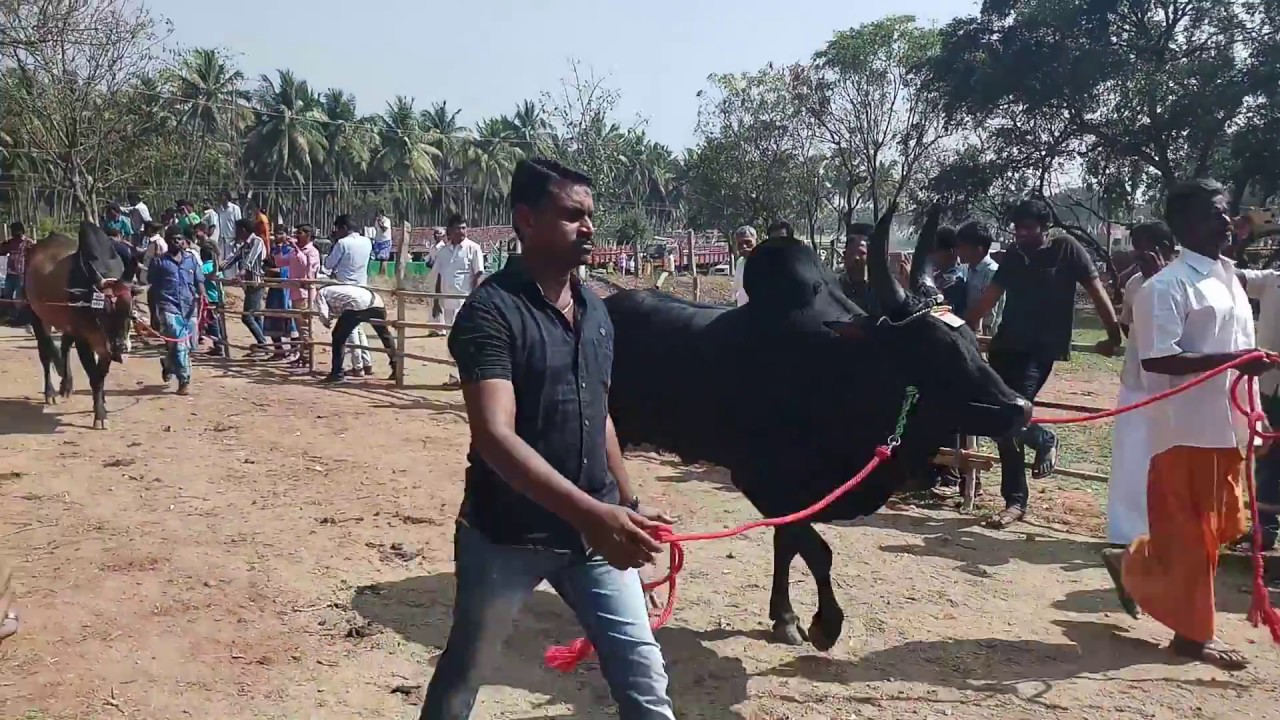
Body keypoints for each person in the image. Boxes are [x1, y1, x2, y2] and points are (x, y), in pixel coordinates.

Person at [419, 158, 675, 720]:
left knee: (645, 681)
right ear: (526, 220)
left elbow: (600, 414)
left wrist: (626, 510)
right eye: (571, 215)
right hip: (505, 536)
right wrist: (595, 515)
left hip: (593, 540)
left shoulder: (596, 314)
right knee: (465, 673)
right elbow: (494, 436)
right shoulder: (492, 313)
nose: (588, 228)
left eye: (590, 216)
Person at [1102, 179, 1278, 670]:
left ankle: (1135, 563)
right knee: (1196, 535)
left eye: (1226, 212)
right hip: (1184, 430)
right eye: (1212, 214)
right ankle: (1192, 637)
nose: (1224, 222)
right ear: (1182, 225)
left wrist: (1244, 373)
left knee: (1223, 525)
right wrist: (1237, 359)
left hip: (1229, 426)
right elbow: (1160, 359)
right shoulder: (1166, 286)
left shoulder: (1229, 279)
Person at [965, 199, 1124, 528]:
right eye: (1018, 228)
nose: (1022, 234)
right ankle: (1015, 502)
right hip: (1005, 345)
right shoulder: (1013, 258)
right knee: (1001, 423)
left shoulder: (1066, 250)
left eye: (1029, 228)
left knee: (1012, 416)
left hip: (1040, 350)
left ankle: (1042, 442)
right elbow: (988, 299)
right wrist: (962, 330)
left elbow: (1096, 291)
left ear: (1045, 227)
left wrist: (1113, 335)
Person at [1105, 221, 1177, 548]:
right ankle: (1125, 533)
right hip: (1136, 382)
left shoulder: (1181, 282)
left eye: (1145, 247)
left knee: (1168, 458)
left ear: (1164, 247)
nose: (1139, 254)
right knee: (1129, 457)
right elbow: (1126, 325)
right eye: (1136, 248)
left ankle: (1165, 528)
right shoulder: (1135, 284)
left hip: (1174, 386)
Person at [148, 231, 205, 394]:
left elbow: (199, 280)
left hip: (189, 307)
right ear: (167, 241)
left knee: (189, 346)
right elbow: (152, 287)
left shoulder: (191, 259)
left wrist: (203, 295)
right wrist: (154, 313)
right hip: (169, 306)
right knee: (180, 344)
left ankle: (168, 364)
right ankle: (184, 381)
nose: (176, 242)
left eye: (179, 239)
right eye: (172, 239)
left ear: (183, 241)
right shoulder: (159, 261)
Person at [433, 213, 485, 388]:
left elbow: (478, 274)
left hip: (465, 301)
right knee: (451, 340)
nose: (462, 231)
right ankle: (455, 377)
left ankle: (470, 377)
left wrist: (474, 300)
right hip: (447, 302)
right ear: (450, 230)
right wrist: (436, 301)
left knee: (467, 340)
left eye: (464, 227)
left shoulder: (473, 248)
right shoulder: (443, 251)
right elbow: (439, 276)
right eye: (458, 228)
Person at [314, 283, 396, 383]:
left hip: (357, 306)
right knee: (384, 334)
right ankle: (397, 368)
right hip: (376, 302)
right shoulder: (343, 288)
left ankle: (337, 373)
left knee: (338, 337)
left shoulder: (321, 292)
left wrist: (326, 322)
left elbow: (323, 313)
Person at [223, 218, 269, 353]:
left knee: (247, 316)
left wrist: (242, 271)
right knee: (255, 315)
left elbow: (251, 258)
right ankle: (262, 345)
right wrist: (219, 267)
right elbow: (232, 258)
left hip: (256, 283)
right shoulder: (244, 245)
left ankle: (263, 343)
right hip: (248, 285)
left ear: (243, 230)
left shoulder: (257, 241)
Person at [955, 220, 1003, 335]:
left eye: (963, 247)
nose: (958, 252)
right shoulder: (965, 269)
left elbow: (989, 316)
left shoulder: (992, 273)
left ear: (979, 249)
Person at [286, 224, 321, 368]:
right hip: (295, 292)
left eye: (300, 233)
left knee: (305, 327)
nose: (297, 235)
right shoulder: (297, 251)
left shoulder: (312, 251)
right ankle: (302, 355)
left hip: (305, 294)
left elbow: (307, 267)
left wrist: (296, 247)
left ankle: (307, 357)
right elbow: (283, 261)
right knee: (300, 327)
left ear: (308, 235)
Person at [264, 229, 296, 361]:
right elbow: (266, 265)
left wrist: (277, 271)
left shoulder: (291, 250)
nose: (277, 236)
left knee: (290, 318)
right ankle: (279, 350)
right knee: (272, 316)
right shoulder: (272, 250)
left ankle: (294, 350)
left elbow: (290, 268)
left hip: (286, 289)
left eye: (280, 233)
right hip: (274, 288)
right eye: (276, 233)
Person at [323, 214, 373, 286]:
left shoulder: (342, 243)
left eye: (337, 229)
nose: (336, 232)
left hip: (344, 285)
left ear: (344, 228)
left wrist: (334, 245)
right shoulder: (367, 241)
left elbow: (328, 265)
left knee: (321, 294)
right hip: (362, 285)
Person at [838, 223, 877, 314]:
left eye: (861, 253)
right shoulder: (834, 286)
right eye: (852, 253)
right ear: (844, 256)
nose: (856, 258)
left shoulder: (881, 290)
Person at [930, 225, 968, 316]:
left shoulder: (955, 281)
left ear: (951, 252)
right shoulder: (939, 276)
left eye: (934, 251)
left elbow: (939, 313)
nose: (932, 256)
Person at [3, 222, 33, 326]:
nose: (14, 233)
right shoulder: (10, 243)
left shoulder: (29, 243)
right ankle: (9, 316)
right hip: (10, 273)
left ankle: (20, 318)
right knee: (7, 294)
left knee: (20, 297)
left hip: (22, 274)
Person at [199, 243, 225, 356]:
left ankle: (218, 346)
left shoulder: (203, 268)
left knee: (212, 323)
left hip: (209, 299)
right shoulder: (217, 268)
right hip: (219, 298)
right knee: (218, 321)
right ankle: (220, 344)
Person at [731, 225, 757, 306]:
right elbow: (737, 288)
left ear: (756, 241)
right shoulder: (740, 262)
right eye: (740, 244)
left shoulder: (765, 262)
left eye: (748, 243)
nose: (744, 247)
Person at [216, 191, 242, 260]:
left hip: (232, 241)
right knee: (221, 263)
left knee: (231, 263)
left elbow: (239, 225)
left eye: (222, 196)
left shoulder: (235, 209)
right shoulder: (219, 210)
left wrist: (237, 241)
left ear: (226, 197)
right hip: (221, 241)